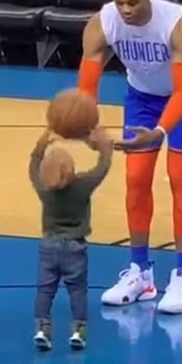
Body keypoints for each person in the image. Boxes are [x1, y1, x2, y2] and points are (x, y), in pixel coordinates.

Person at [76, 0, 182, 315]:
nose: (126, 10)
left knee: (181, 179)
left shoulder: (177, 24)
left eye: (133, 2)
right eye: (120, 3)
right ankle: (141, 273)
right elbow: (88, 83)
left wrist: (160, 131)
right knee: (135, 180)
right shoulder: (101, 23)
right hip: (142, 97)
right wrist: (90, 126)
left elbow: (181, 92)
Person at [28, 128, 114, 351]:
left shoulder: (44, 190)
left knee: (45, 290)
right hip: (75, 248)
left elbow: (32, 169)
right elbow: (102, 168)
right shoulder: (82, 186)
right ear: (71, 171)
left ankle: (42, 328)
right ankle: (79, 330)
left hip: (48, 246)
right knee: (77, 291)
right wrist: (105, 147)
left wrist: (41, 146)